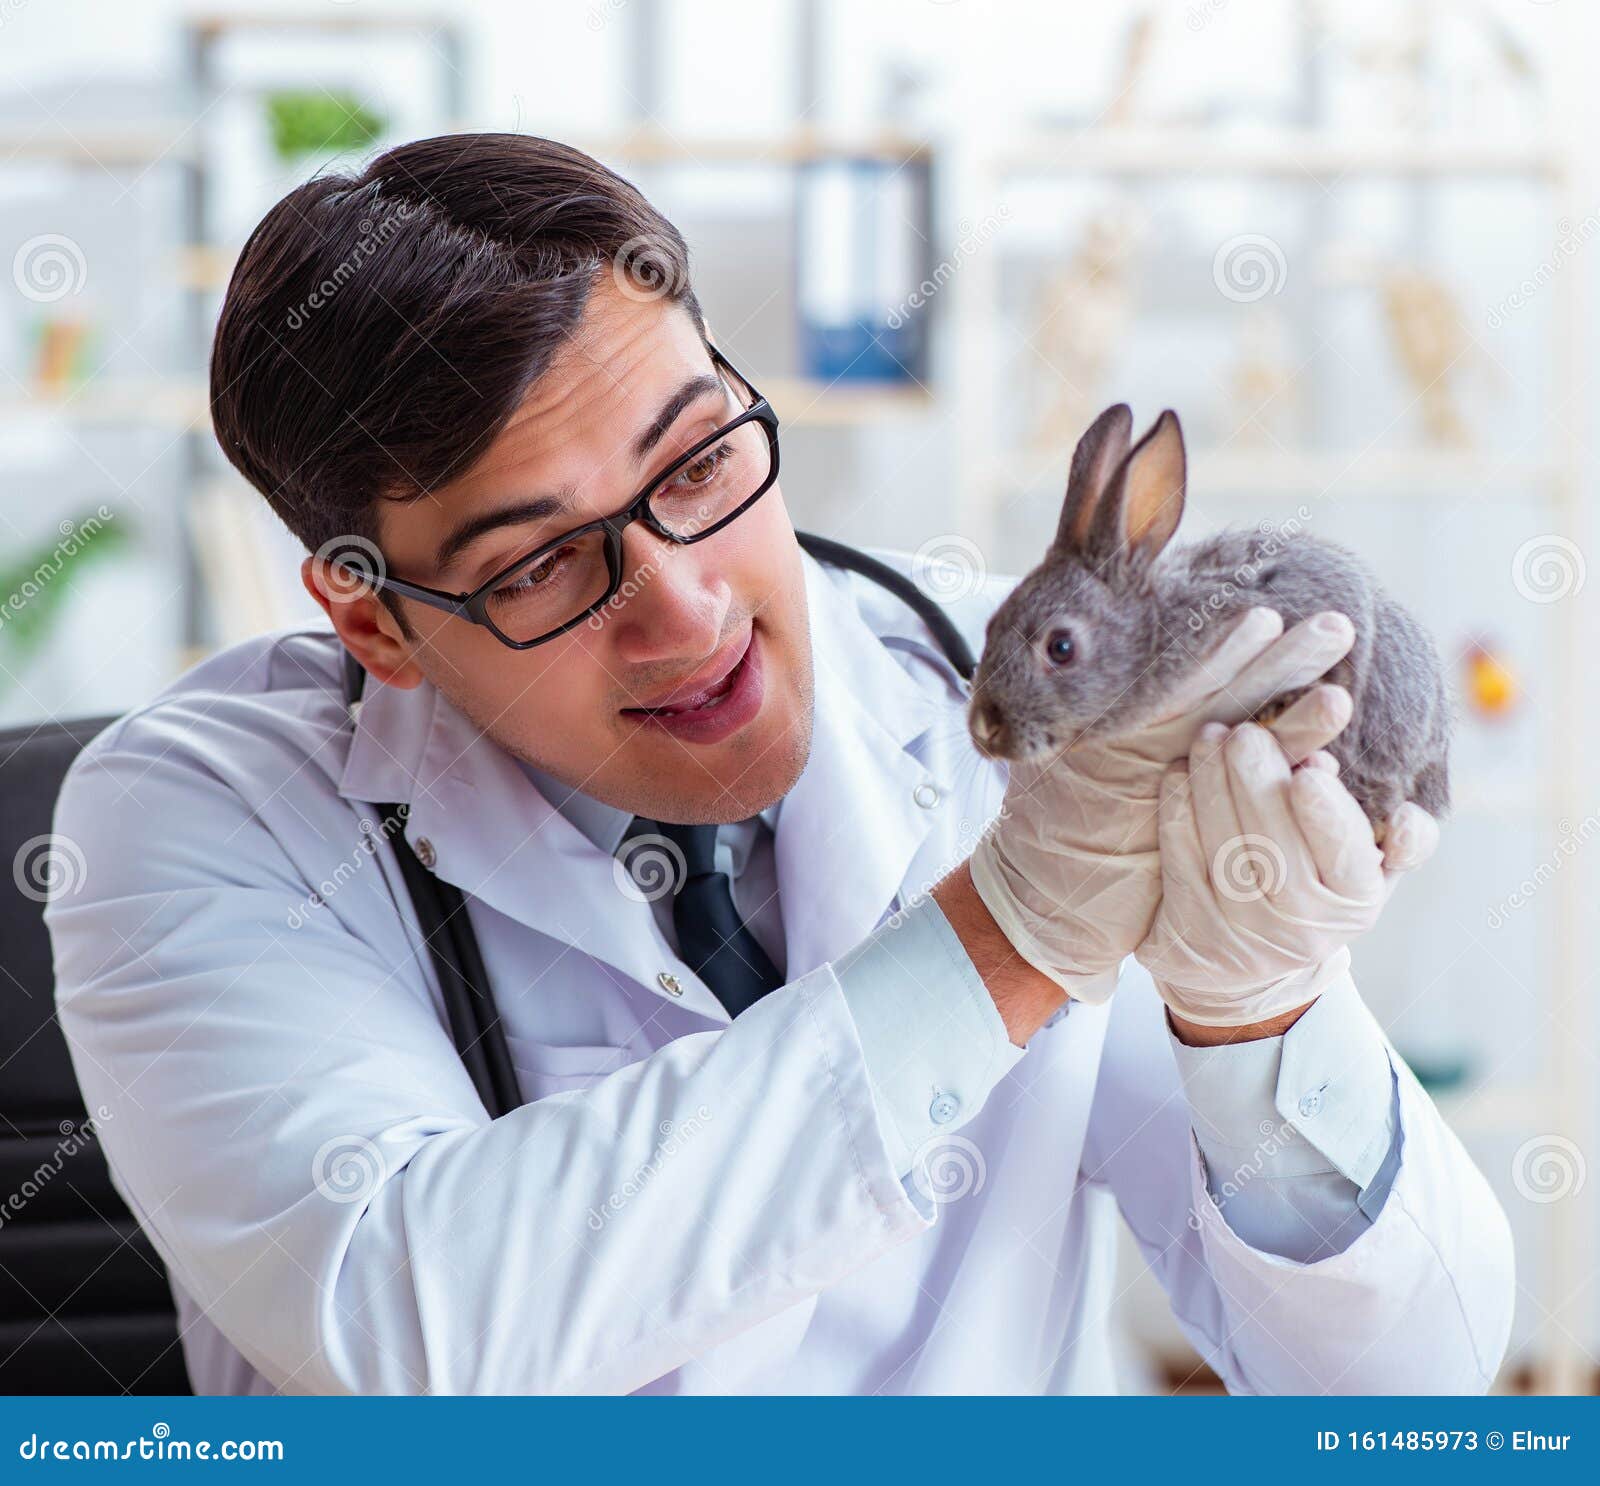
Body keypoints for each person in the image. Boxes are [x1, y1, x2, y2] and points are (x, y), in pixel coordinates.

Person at [45, 134, 1512, 1395]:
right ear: (373, 613)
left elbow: (1409, 1384)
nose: (683, 605)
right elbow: (419, 1327)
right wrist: (1006, 937)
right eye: (546, 561)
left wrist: (1258, 1019)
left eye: (694, 465)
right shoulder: (197, 819)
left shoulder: (1012, 707)